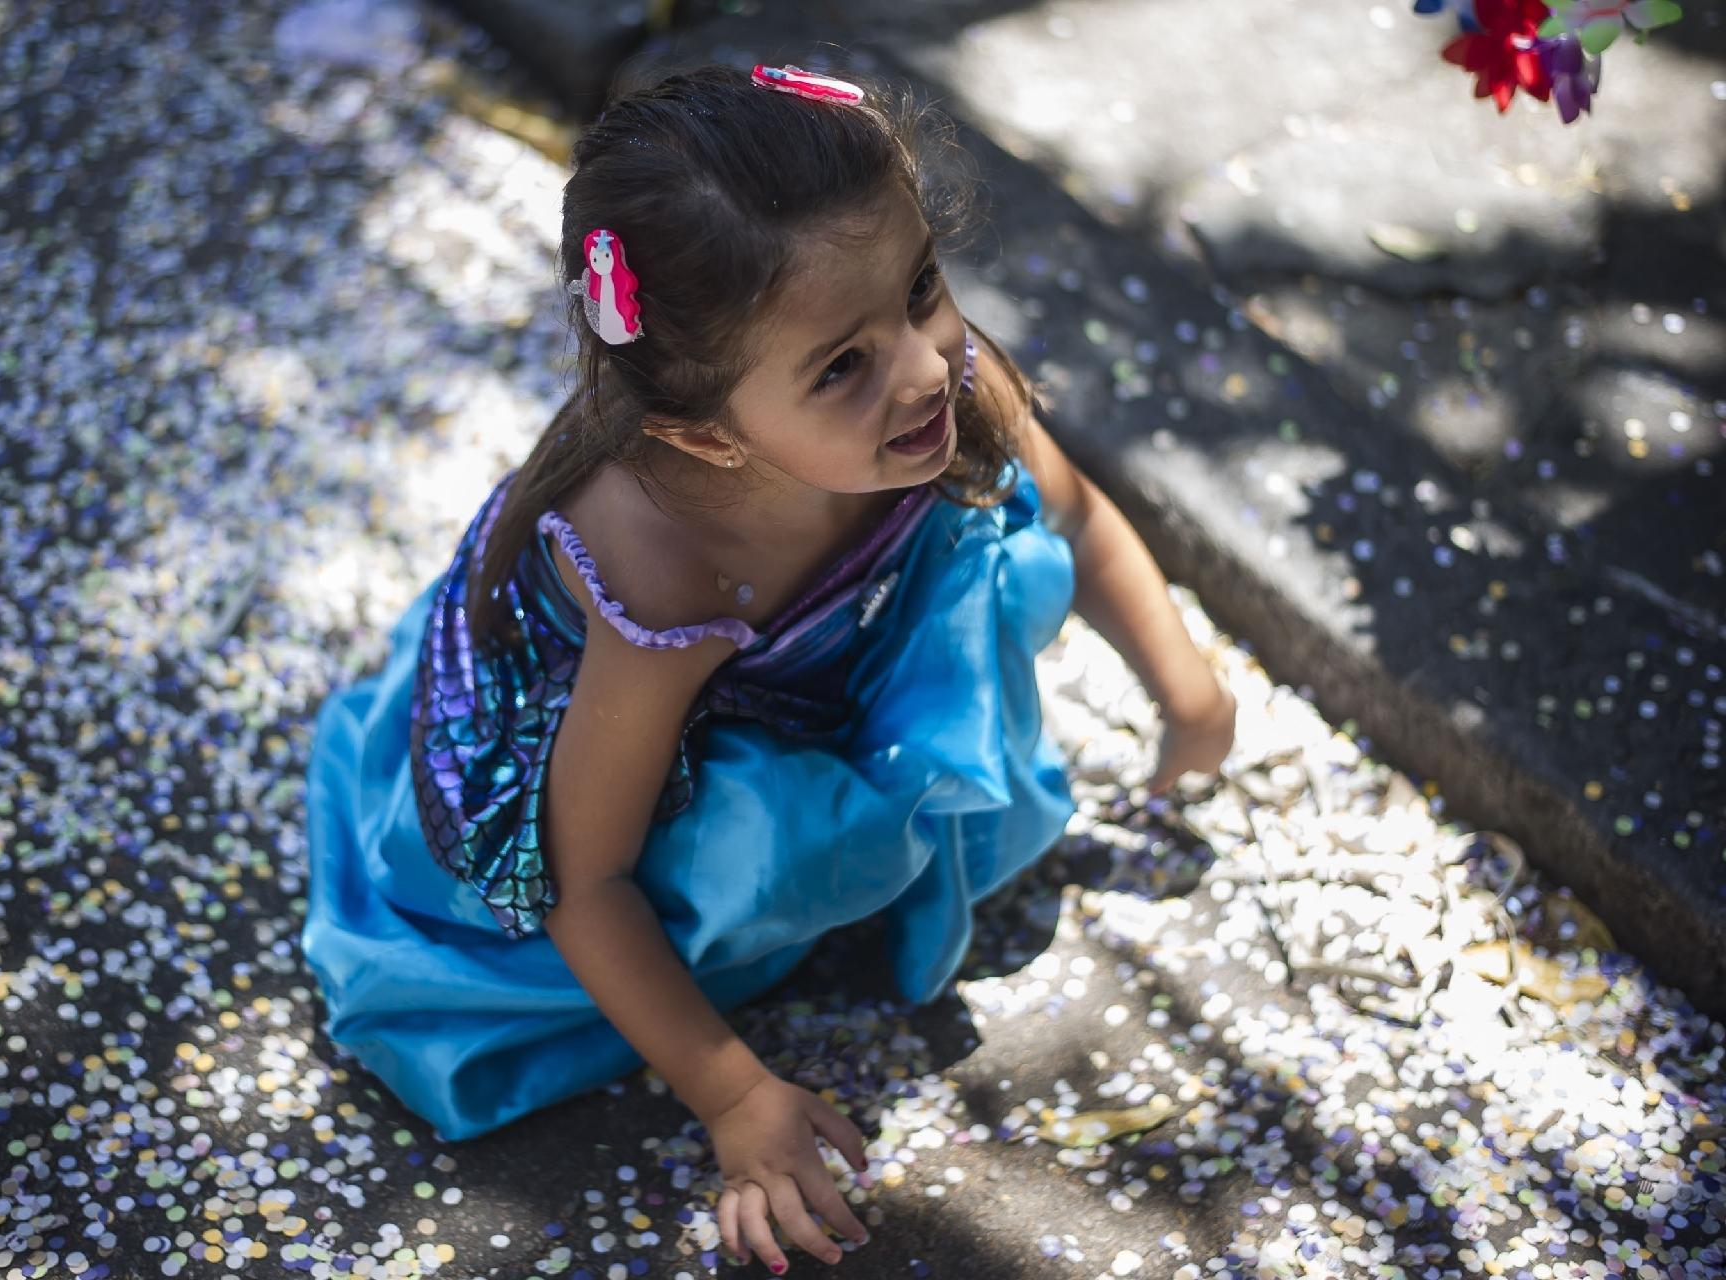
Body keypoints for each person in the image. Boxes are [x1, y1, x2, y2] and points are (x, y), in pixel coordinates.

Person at [300, 61, 1237, 1273]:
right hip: (643, 757)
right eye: (841, 364)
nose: (920, 367)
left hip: (793, 669)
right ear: (704, 432)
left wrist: (1186, 685)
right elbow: (591, 883)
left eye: (922, 288)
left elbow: (1075, 514)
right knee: (760, 837)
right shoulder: (658, 570)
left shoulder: (939, 381)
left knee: (987, 544)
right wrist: (736, 1096)